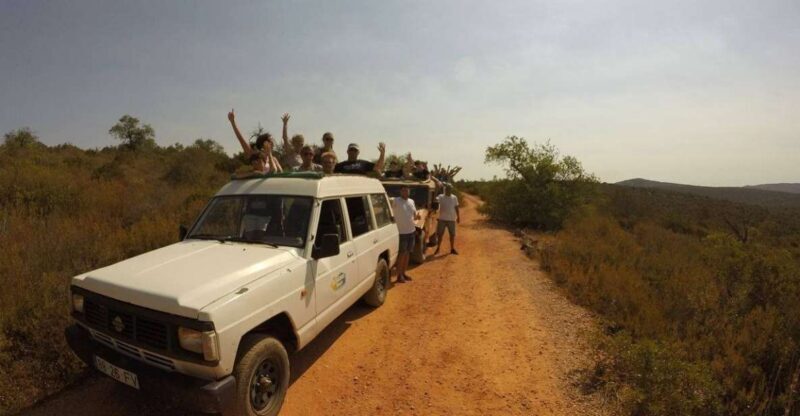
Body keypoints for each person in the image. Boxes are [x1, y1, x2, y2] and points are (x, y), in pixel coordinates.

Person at [391, 186, 419, 283]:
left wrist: (417, 217)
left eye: (407, 190)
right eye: (403, 190)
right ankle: (399, 276)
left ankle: (403, 273)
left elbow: (414, 215)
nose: (405, 192)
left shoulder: (411, 201)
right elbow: (389, 209)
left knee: (407, 254)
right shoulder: (396, 201)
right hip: (401, 232)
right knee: (402, 254)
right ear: (400, 191)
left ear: (409, 191)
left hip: (411, 231)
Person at [434, 184, 460, 255]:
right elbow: (435, 200)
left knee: (452, 235)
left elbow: (456, 207)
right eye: (446, 189)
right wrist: (436, 189)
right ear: (445, 189)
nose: (447, 190)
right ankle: (438, 248)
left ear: (451, 190)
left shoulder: (454, 197)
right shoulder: (441, 197)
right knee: (440, 235)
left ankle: (452, 249)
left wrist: (458, 217)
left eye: (449, 189)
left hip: (451, 219)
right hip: (442, 219)